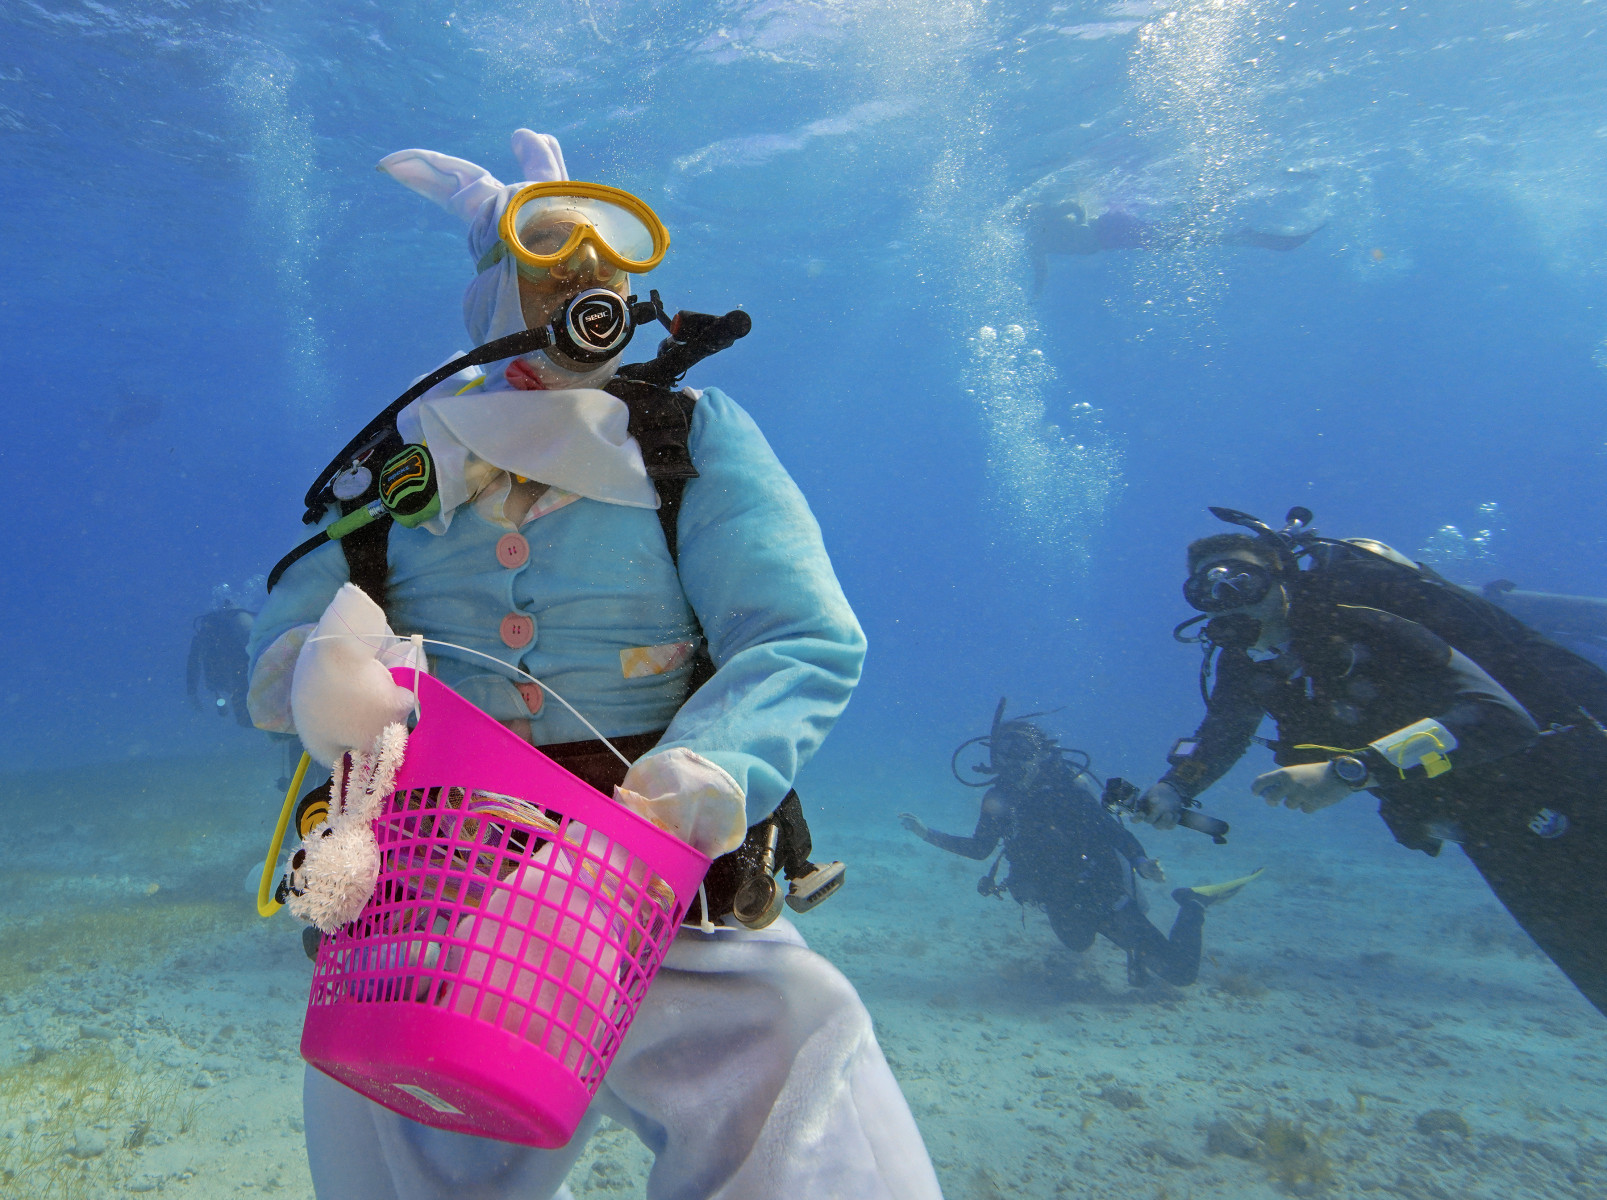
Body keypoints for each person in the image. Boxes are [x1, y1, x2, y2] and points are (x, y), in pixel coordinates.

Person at [246, 129, 940, 1200]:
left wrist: (714, 769)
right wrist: (318, 674)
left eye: (607, 259)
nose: (584, 278)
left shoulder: (686, 438)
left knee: (792, 1047)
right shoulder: (397, 462)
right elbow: (287, 635)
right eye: (549, 254)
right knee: (388, 1109)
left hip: (656, 874)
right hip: (435, 879)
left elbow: (800, 632)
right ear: (494, 286)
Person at [1133, 507, 1607, 1017]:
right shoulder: (1246, 663)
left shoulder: (1364, 624)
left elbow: (1502, 718)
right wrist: (1174, 787)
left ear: (1282, 578)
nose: (1227, 598)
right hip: (1481, 824)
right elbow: (1224, 732)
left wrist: (1351, 772)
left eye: (1243, 580)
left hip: (1566, 785)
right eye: (1207, 589)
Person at [899, 701, 1257, 988]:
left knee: (1179, 973)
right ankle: (1128, 939)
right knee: (1078, 943)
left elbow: (1111, 831)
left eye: (1023, 752)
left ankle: (1192, 902)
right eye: (1006, 754)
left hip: (1100, 892)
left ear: (1040, 754)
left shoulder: (1067, 789)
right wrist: (927, 833)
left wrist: (1140, 861)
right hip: (1054, 896)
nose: (1014, 762)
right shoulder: (998, 798)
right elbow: (980, 849)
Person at [187, 595, 254, 726]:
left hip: (222, 678)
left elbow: (193, 663)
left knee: (237, 707)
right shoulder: (237, 627)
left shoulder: (205, 634)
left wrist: (192, 691)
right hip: (244, 670)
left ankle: (229, 707)